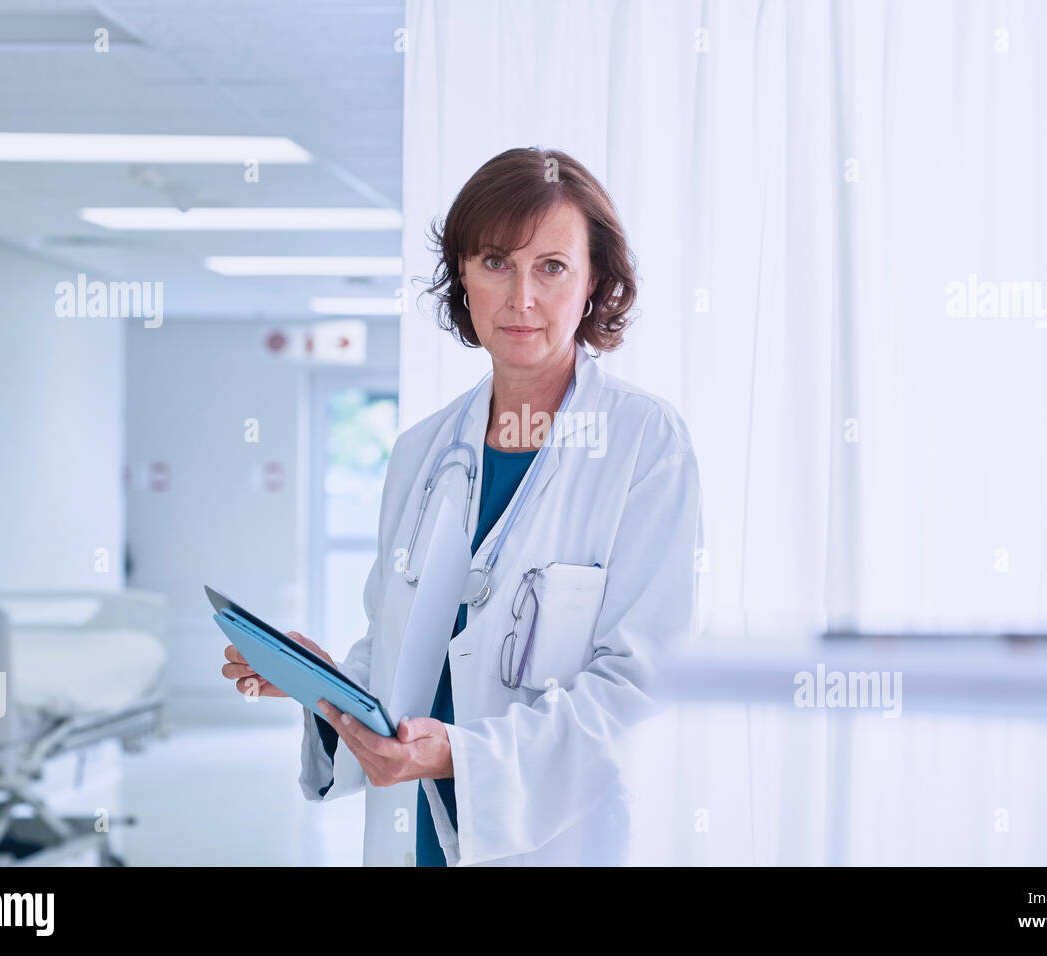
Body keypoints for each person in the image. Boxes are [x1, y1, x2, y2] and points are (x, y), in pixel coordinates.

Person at [222, 146, 703, 866]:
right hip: (412, 827)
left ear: (595, 279)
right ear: (463, 278)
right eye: (494, 262)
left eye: (552, 266)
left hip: (546, 835)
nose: (521, 299)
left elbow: (640, 678)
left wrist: (463, 757)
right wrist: (323, 688)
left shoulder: (644, 443)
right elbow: (393, 654)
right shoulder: (421, 450)